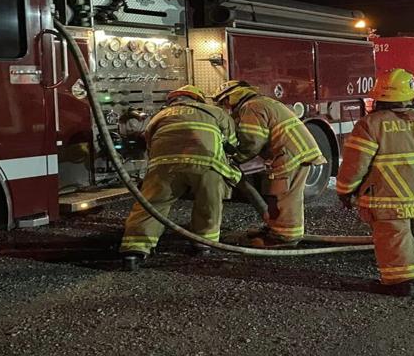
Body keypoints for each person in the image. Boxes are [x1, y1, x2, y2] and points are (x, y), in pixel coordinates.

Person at [334, 69, 414, 297]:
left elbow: (354, 165)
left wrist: (344, 190)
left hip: (387, 197)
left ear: (379, 97)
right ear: (411, 94)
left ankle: (403, 282)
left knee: (394, 235)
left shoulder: (370, 125)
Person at [118, 86, 239, 269]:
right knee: (208, 203)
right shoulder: (215, 112)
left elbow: (150, 143)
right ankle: (204, 244)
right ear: (198, 99)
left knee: (152, 205)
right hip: (207, 164)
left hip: (164, 165)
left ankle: (135, 249)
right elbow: (232, 142)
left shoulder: (160, 116)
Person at [213, 79, 327, 247]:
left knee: (282, 196)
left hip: (289, 155)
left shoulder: (251, 107)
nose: (225, 107)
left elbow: (253, 141)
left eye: (224, 102)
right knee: (276, 193)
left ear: (231, 98)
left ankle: (285, 237)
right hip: (292, 152)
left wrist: (236, 158)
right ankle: (276, 228)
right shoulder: (260, 103)